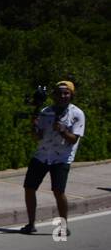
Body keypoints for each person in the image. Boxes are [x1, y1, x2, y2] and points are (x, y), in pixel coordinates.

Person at [20, 80, 85, 235]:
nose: (62, 96)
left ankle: (63, 226)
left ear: (71, 95)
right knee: (29, 188)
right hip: (42, 155)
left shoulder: (77, 114)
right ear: (54, 95)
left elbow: (74, 139)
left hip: (61, 158)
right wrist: (34, 125)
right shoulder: (46, 111)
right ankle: (31, 224)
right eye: (59, 93)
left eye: (66, 93)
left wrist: (63, 130)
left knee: (58, 191)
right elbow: (37, 137)